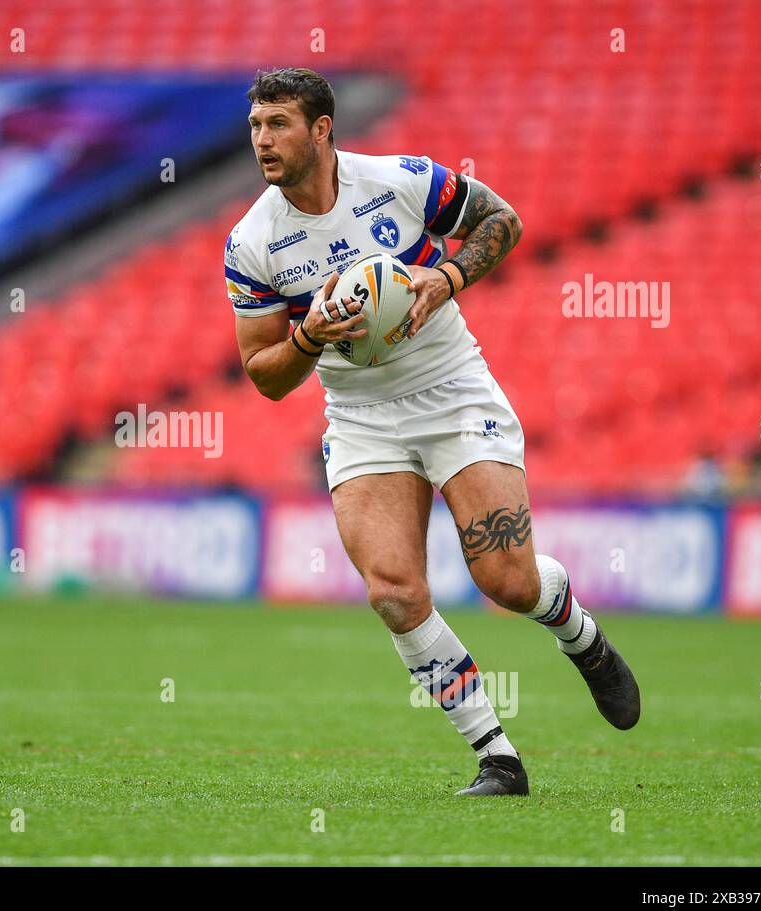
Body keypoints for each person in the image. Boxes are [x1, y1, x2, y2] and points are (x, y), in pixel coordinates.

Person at [227, 68, 640, 796]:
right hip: (360, 416)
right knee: (394, 591)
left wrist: (444, 279)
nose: (263, 139)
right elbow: (263, 374)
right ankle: (496, 757)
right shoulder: (253, 242)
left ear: (322, 129)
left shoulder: (401, 181)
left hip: (451, 392)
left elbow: (501, 220)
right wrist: (309, 338)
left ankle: (581, 636)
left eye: (279, 124)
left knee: (507, 582)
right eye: (257, 125)